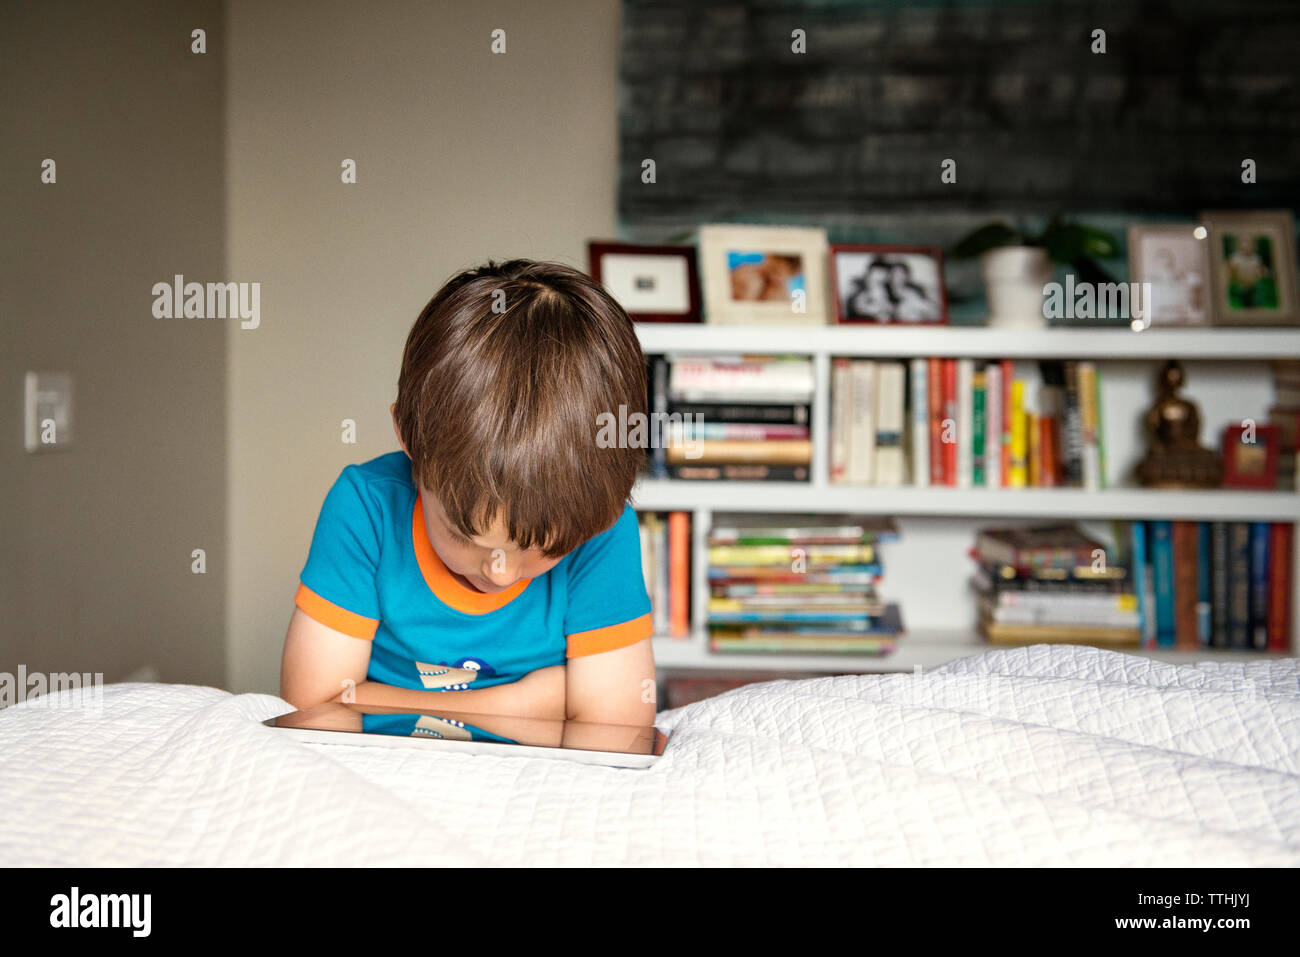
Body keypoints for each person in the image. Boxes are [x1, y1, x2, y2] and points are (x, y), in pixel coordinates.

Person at [280, 260, 656, 728]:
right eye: (466, 536)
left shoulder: (601, 532)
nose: (501, 575)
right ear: (409, 439)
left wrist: (375, 699)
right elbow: (313, 709)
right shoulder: (366, 508)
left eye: (546, 550)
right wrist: (530, 704)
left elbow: (616, 727)